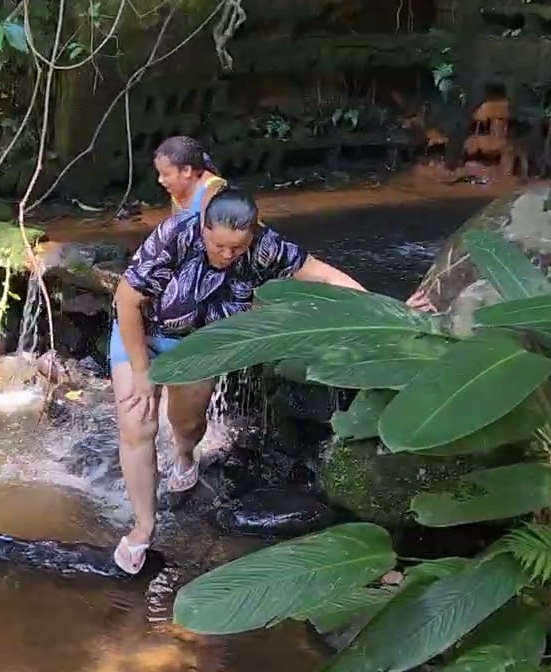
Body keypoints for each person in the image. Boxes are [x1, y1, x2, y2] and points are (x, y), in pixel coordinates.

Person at [107, 188, 426, 574]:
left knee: (188, 423)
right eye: (219, 245)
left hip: (201, 345)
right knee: (136, 423)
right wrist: (141, 372)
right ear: (203, 228)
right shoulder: (176, 235)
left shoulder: (267, 247)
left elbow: (323, 275)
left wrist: (389, 310)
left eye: (237, 249)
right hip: (141, 334)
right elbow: (127, 298)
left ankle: (185, 455)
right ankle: (144, 527)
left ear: (253, 235)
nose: (227, 256)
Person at [153, 135, 228, 218]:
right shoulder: (179, 189)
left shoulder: (214, 189)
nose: (160, 180)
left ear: (186, 171)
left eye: (165, 174)